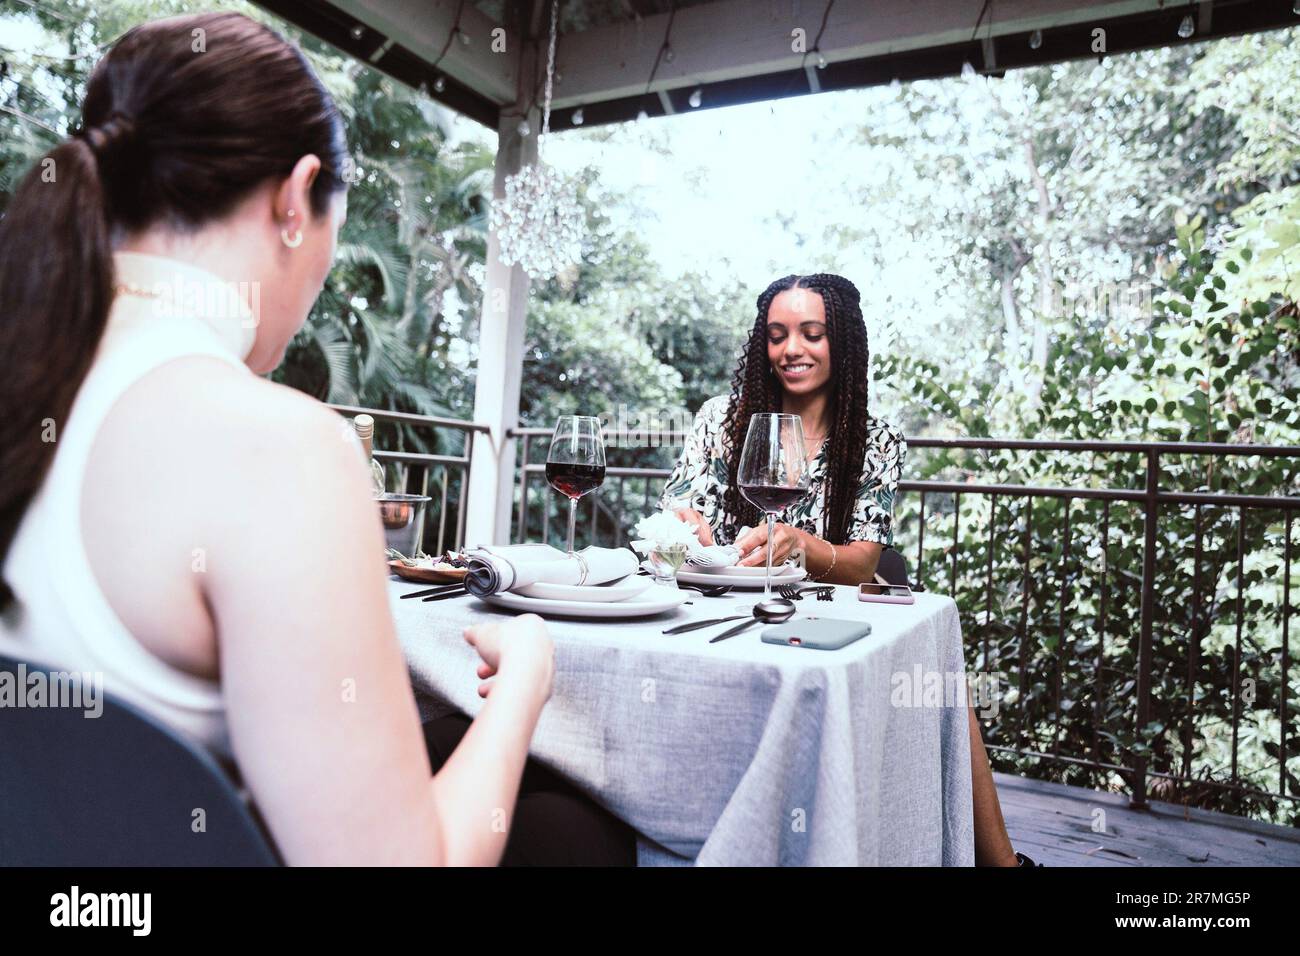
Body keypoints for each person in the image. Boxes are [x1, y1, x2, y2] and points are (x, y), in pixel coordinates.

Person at [0, 12, 632, 866]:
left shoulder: (33, 377)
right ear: (296, 199)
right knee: (574, 831)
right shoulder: (274, 444)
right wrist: (525, 683)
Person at [660, 273, 1037, 867]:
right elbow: (681, 509)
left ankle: (996, 861)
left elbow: (868, 558)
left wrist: (805, 548)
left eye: (812, 334)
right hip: (725, 611)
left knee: (941, 676)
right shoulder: (719, 420)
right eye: (778, 335)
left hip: (823, 618)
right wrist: (684, 529)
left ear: (844, 344)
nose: (792, 350)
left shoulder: (874, 438)